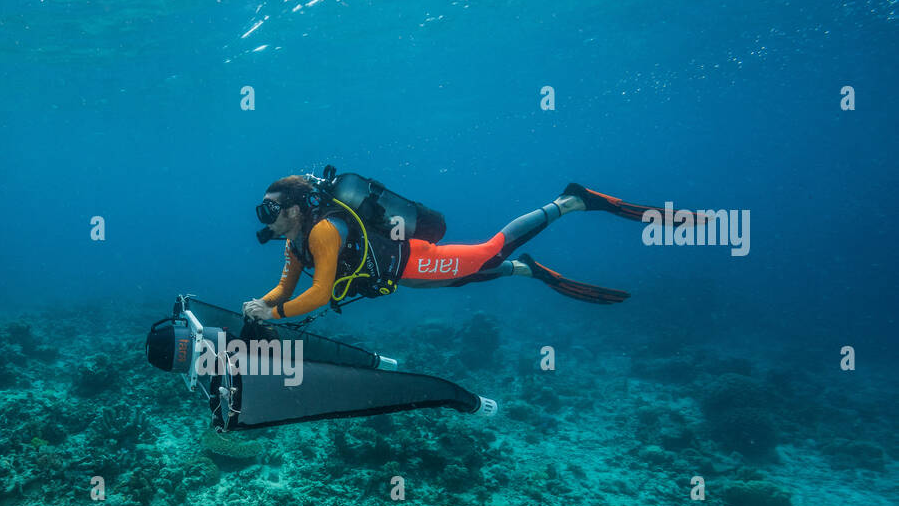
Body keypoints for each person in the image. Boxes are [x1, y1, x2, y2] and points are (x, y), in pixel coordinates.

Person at [243, 174, 699, 320]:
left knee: (486, 252)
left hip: (412, 260)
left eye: (271, 210)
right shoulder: (296, 241)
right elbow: (287, 285)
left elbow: (321, 291)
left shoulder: (323, 232)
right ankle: (525, 270)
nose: (267, 220)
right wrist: (262, 303)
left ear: (298, 208)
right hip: (397, 274)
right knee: (461, 280)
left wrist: (276, 317)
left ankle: (572, 201)